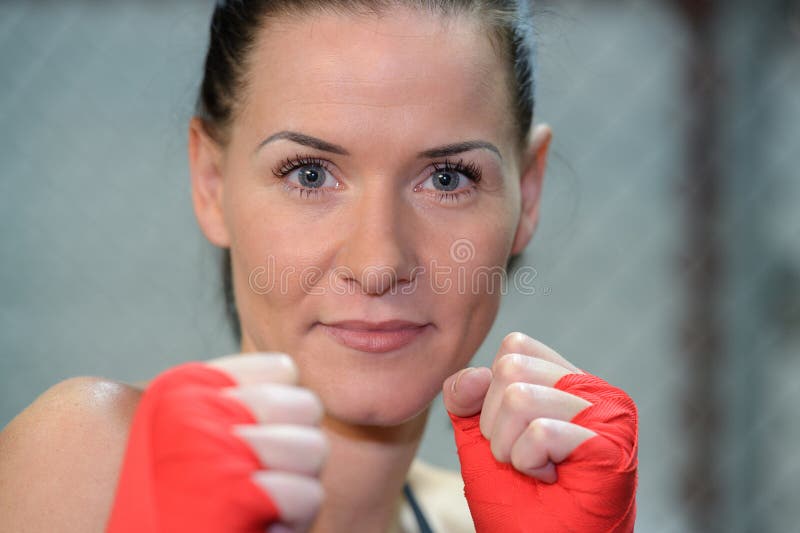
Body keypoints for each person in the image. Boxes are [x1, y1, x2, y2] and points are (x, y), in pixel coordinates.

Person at [0, 1, 638, 532]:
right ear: (210, 181)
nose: (379, 262)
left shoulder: (470, 522)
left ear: (528, 193)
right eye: (309, 174)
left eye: (448, 178)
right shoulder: (88, 460)